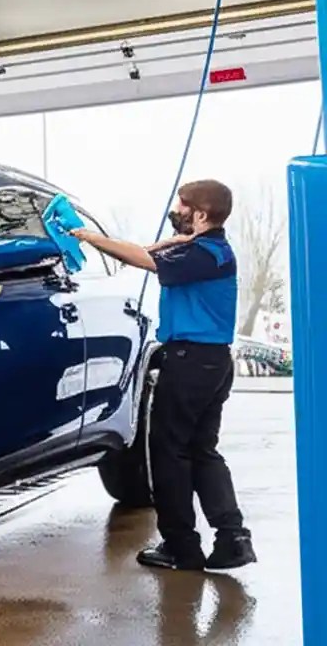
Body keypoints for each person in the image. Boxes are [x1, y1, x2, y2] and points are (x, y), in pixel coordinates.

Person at [71, 179, 256, 572]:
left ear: (201, 214)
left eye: (182, 205)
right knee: (203, 450)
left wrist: (89, 237)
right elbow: (158, 250)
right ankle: (232, 538)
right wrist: (155, 246)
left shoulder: (205, 254)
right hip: (212, 363)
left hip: (190, 364)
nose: (176, 208)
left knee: (169, 454)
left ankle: (180, 547)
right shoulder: (210, 250)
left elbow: (145, 259)